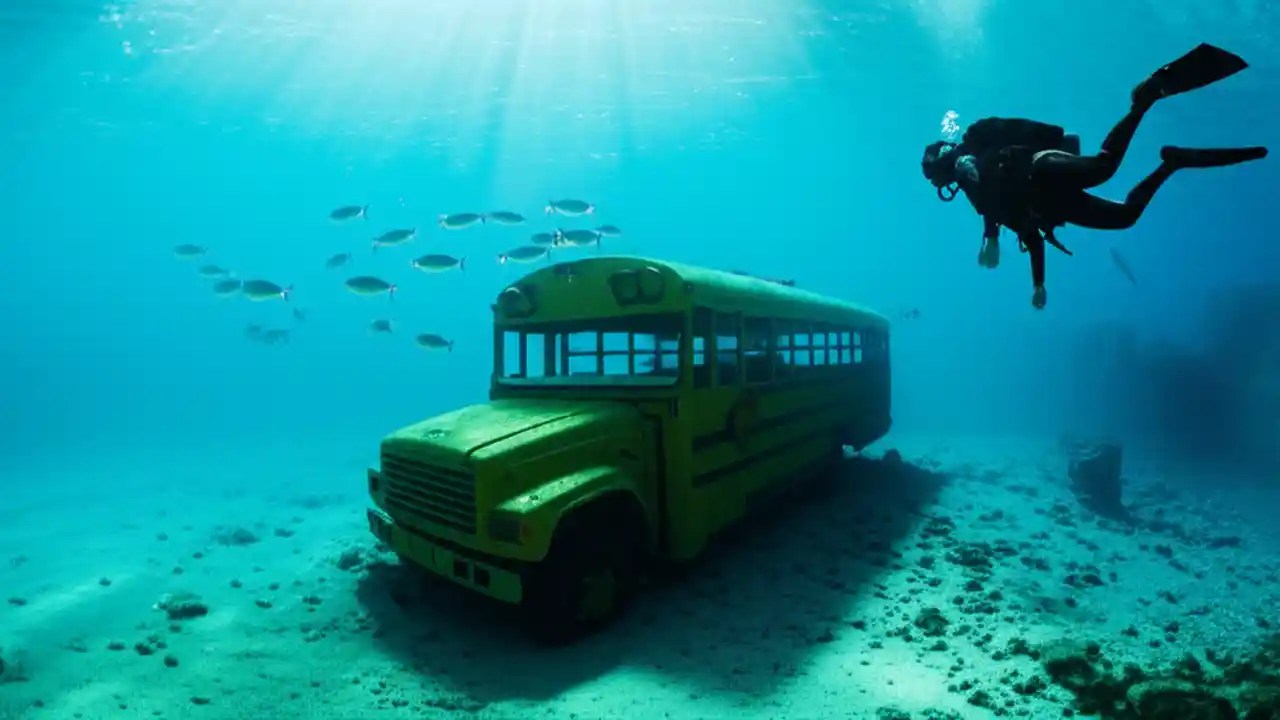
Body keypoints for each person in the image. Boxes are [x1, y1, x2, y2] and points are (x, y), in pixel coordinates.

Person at [921, 43, 1269, 309]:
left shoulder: (971, 161)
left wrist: (969, 169)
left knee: (1103, 166)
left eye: (934, 179)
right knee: (1125, 217)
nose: (939, 187)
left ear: (940, 168)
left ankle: (1143, 100)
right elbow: (1031, 237)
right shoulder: (983, 203)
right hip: (1051, 202)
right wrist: (1038, 284)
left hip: (1037, 166)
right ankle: (1171, 162)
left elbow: (974, 166)